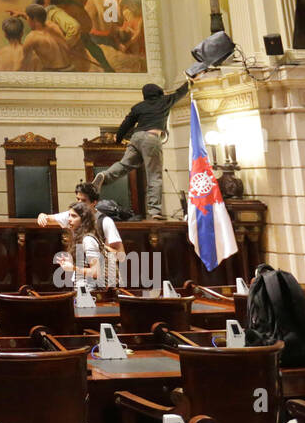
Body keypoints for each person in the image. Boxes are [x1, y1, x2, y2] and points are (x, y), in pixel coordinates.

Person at [91, 80, 191, 219]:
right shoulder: (165, 101)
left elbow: (126, 123)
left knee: (124, 165)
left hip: (136, 137)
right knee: (154, 175)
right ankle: (155, 211)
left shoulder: (139, 107)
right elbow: (180, 92)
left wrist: (119, 139)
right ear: (159, 92)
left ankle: (104, 175)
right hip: (151, 137)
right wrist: (190, 80)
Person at [39, 183, 125, 286]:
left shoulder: (105, 222)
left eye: (84, 201)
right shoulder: (73, 216)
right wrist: (42, 215)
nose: (79, 203)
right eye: (78, 199)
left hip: (99, 284)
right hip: (82, 280)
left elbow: (121, 256)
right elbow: (48, 218)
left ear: (94, 202)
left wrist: (99, 247)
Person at [52, 202, 105, 289]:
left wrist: (73, 268)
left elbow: (96, 272)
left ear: (84, 220)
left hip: (90, 291)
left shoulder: (88, 240)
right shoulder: (80, 238)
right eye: (69, 215)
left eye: (74, 216)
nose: (69, 219)